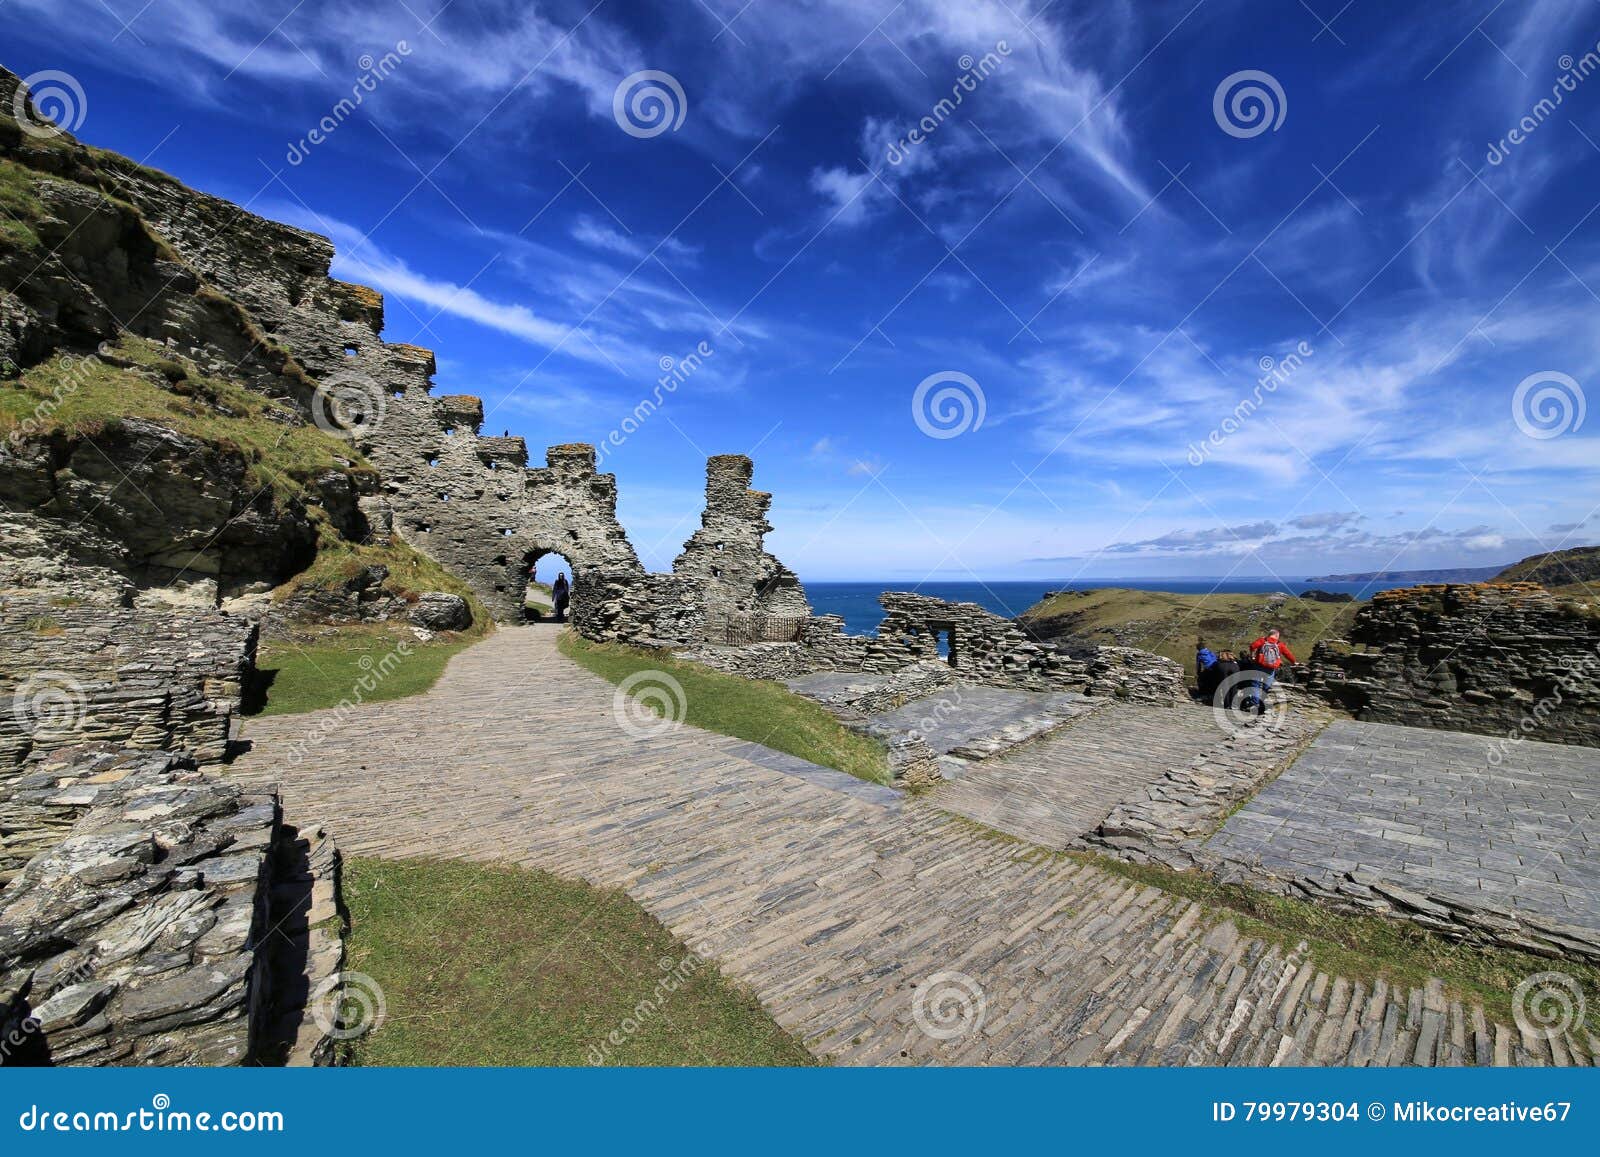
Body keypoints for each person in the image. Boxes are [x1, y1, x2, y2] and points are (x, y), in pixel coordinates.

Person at [1246, 629, 1297, 711]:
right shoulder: (1280, 644)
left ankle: (1254, 703)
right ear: (1277, 635)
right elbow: (1288, 654)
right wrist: (1294, 662)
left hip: (1259, 666)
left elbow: (1252, 646)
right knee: (1266, 686)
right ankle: (1261, 703)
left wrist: (1252, 656)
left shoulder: (1262, 640)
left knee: (1256, 684)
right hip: (1271, 668)